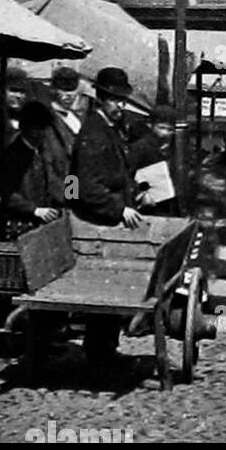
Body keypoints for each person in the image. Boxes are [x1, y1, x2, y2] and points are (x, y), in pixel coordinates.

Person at [70, 68, 145, 377]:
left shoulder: (108, 129)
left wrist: (134, 193)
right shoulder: (92, 133)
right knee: (107, 290)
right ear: (101, 99)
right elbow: (85, 188)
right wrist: (119, 209)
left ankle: (104, 349)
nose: (122, 107)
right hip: (96, 224)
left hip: (108, 220)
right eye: (117, 101)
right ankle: (98, 354)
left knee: (113, 290)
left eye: (124, 102)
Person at [0, 101, 66, 231]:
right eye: (37, 129)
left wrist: (71, 200)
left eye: (44, 128)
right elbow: (7, 193)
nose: (42, 133)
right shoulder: (12, 155)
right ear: (25, 128)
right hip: (20, 224)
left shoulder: (44, 152)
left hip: (42, 223)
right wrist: (35, 210)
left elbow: (56, 180)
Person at [127, 105, 179, 215]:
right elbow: (125, 175)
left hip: (169, 204)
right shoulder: (140, 147)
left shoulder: (174, 148)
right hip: (149, 206)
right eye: (161, 128)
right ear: (151, 126)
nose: (165, 133)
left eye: (170, 130)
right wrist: (140, 194)